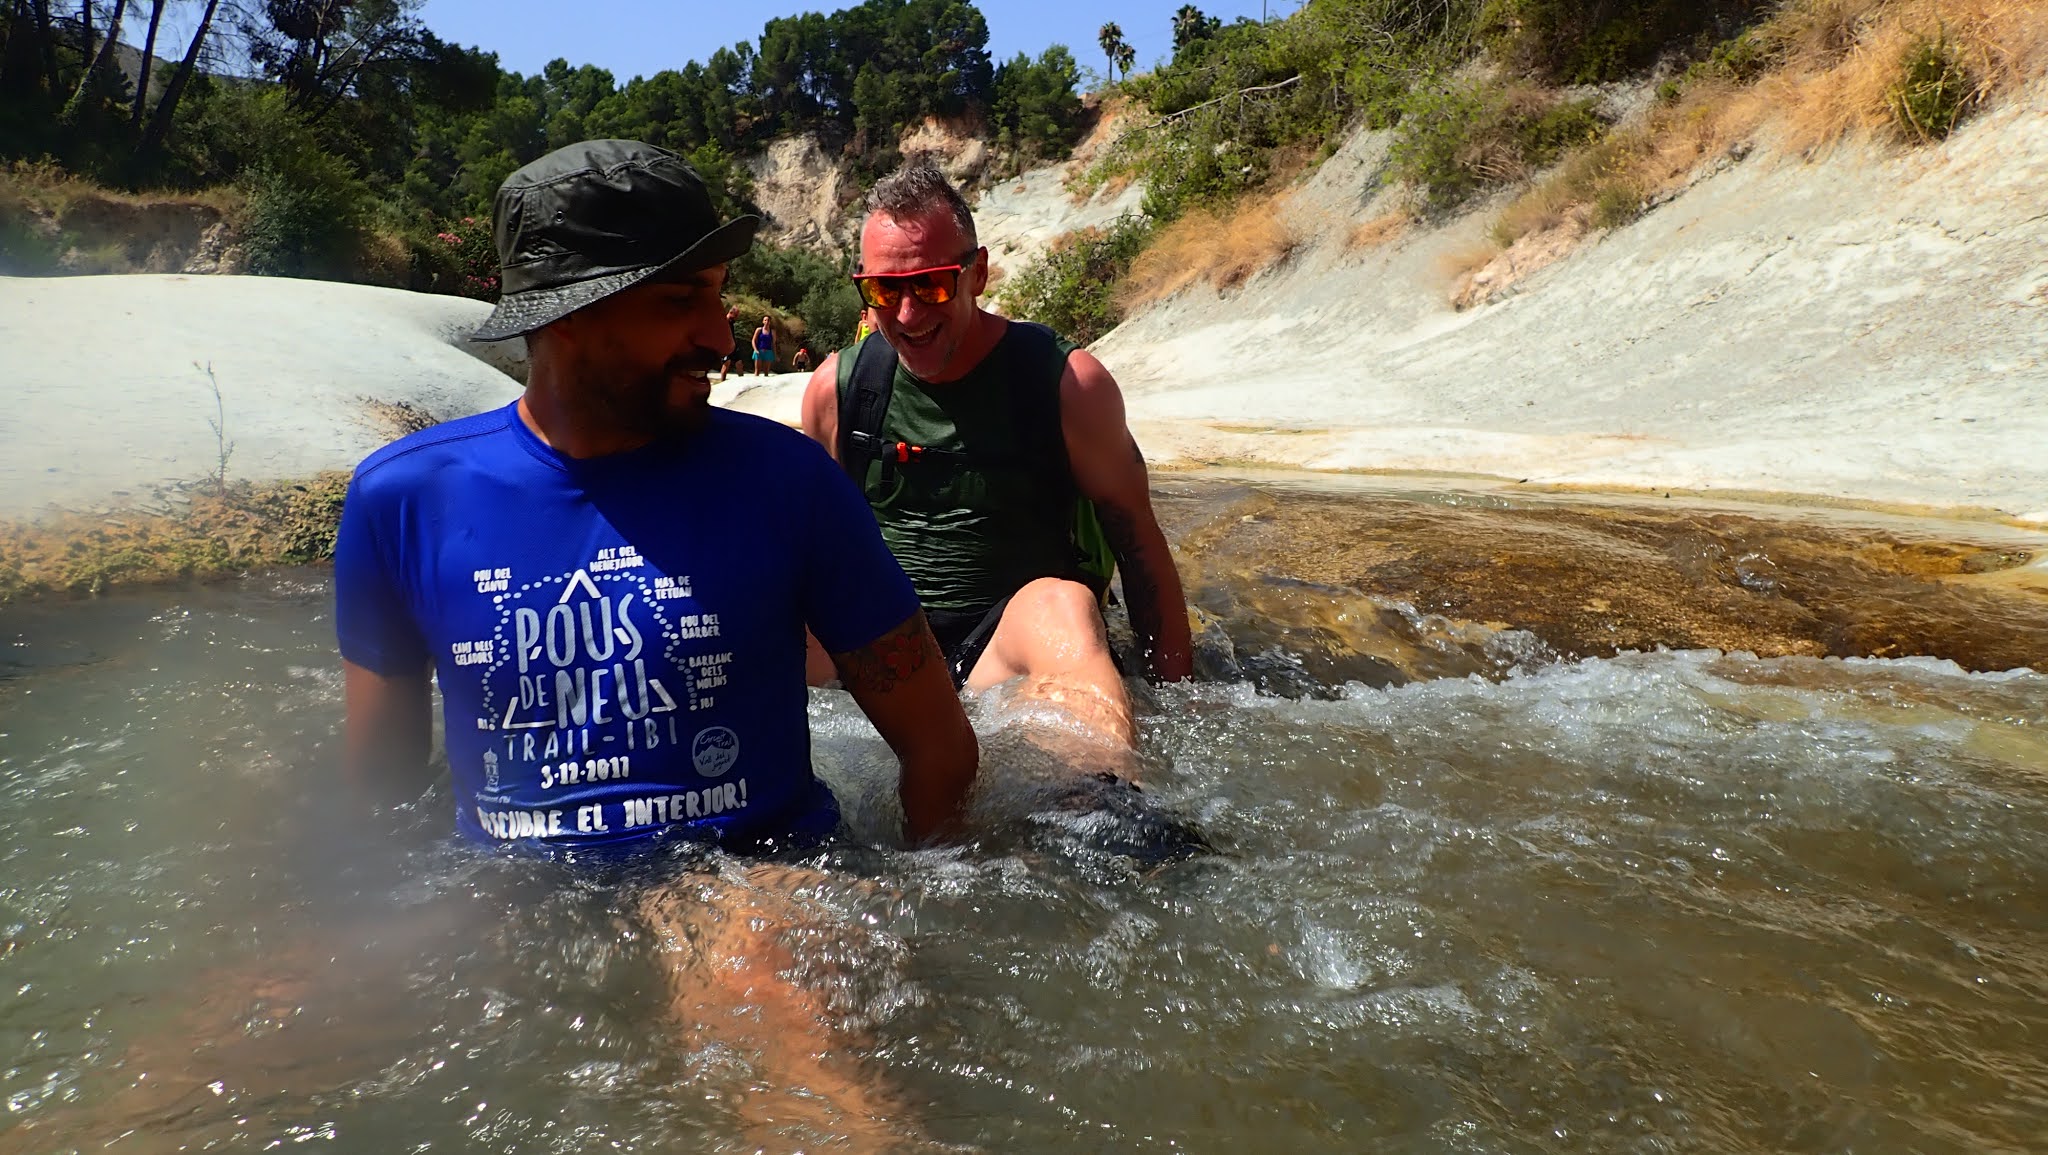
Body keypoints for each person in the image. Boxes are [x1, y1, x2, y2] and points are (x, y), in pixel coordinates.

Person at [335, 140, 977, 1135]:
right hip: (508, 895)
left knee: (769, 993)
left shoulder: (788, 484)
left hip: (748, 886)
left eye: (718, 297)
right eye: (682, 302)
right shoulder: (401, 500)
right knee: (231, 1037)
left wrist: (934, 916)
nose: (721, 334)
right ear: (569, 314)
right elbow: (377, 793)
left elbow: (935, 744)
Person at [800, 158, 1193, 750]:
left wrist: (1182, 705)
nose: (908, 315)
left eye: (930, 285)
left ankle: (1110, 811)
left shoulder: (1067, 385)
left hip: (1011, 640)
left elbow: (1137, 544)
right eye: (885, 290)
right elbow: (810, 560)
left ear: (977, 273)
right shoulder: (838, 391)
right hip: (886, 647)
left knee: (1062, 605)